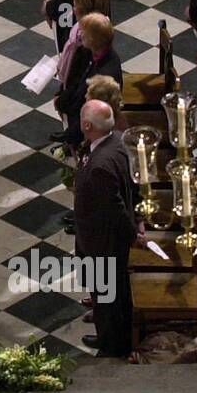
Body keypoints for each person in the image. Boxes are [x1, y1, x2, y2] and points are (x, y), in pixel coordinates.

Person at [72, 100, 137, 357]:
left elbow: (114, 206)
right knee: (112, 290)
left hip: (102, 242)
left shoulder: (100, 166)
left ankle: (112, 344)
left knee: (107, 294)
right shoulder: (117, 141)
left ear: (87, 125)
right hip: (106, 238)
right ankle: (112, 335)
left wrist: (131, 233)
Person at [56, 13, 122, 146]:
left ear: (92, 39)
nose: (80, 35)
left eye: (84, 32)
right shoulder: (92, 53)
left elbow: (94, 115)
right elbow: (77, 80)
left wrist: (71, 136)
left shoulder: (104, 76)